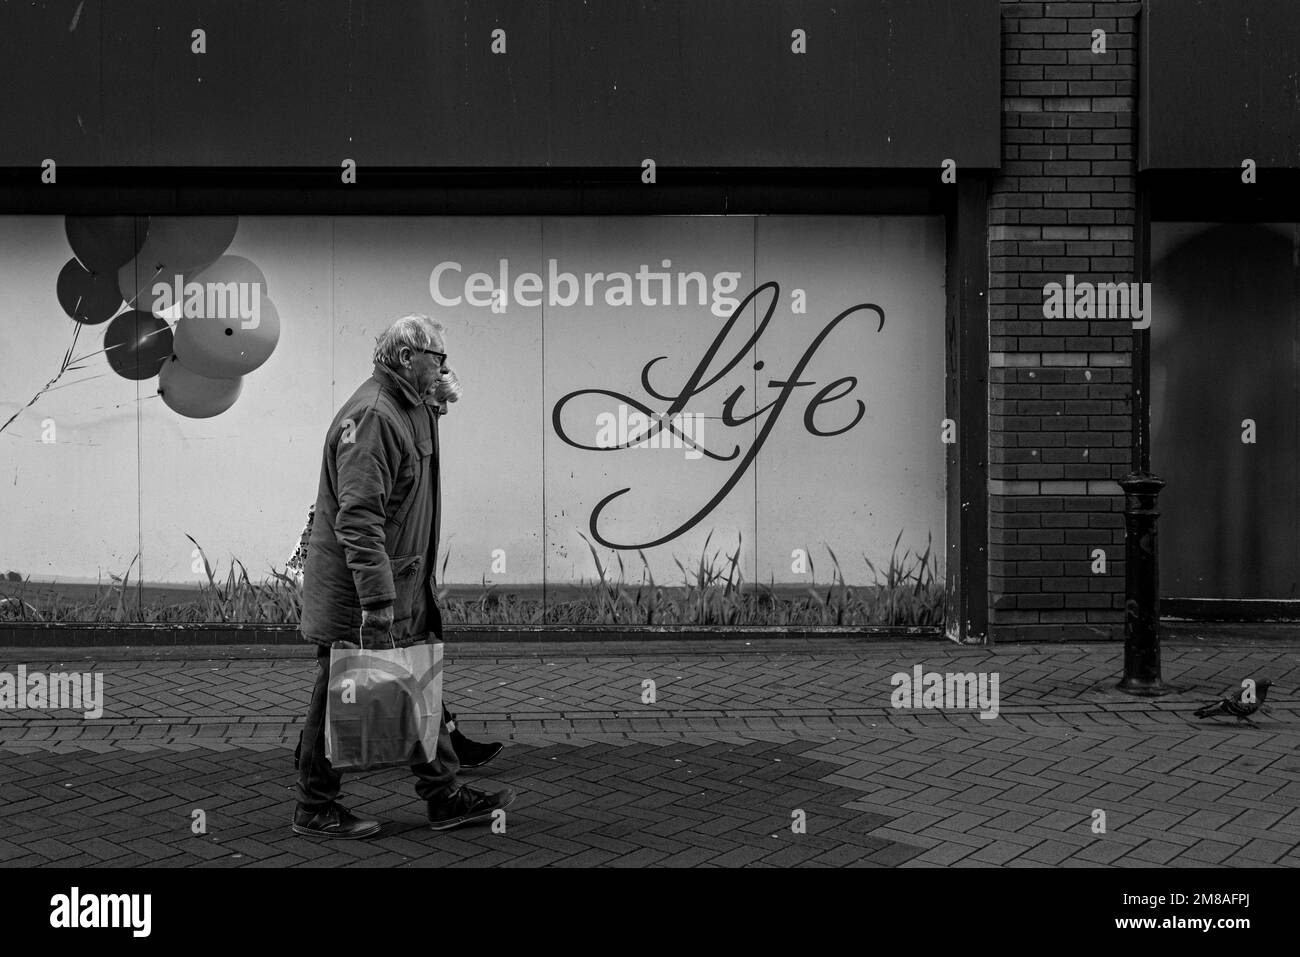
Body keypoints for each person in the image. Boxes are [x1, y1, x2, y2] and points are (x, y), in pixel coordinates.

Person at [293, 314, 515, 838]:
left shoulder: (405, 407)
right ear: (405, 358)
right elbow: (359, 517)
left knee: (415, 683)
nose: (444, 367)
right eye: (436, 358)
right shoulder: (374, 417)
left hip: (400, 582)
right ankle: (314, 806)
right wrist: (375, 603)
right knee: (339, 695)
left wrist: (436, 401)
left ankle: (444, 797)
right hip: (364, 593)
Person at [286, 502, 503, 770]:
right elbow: (358, 522)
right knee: (369, 668)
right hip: (347, 570)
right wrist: (376, 594)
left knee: (357, 670)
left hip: (353, 566)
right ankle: (441, 770)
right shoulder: (368, 468)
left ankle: (310, 755)